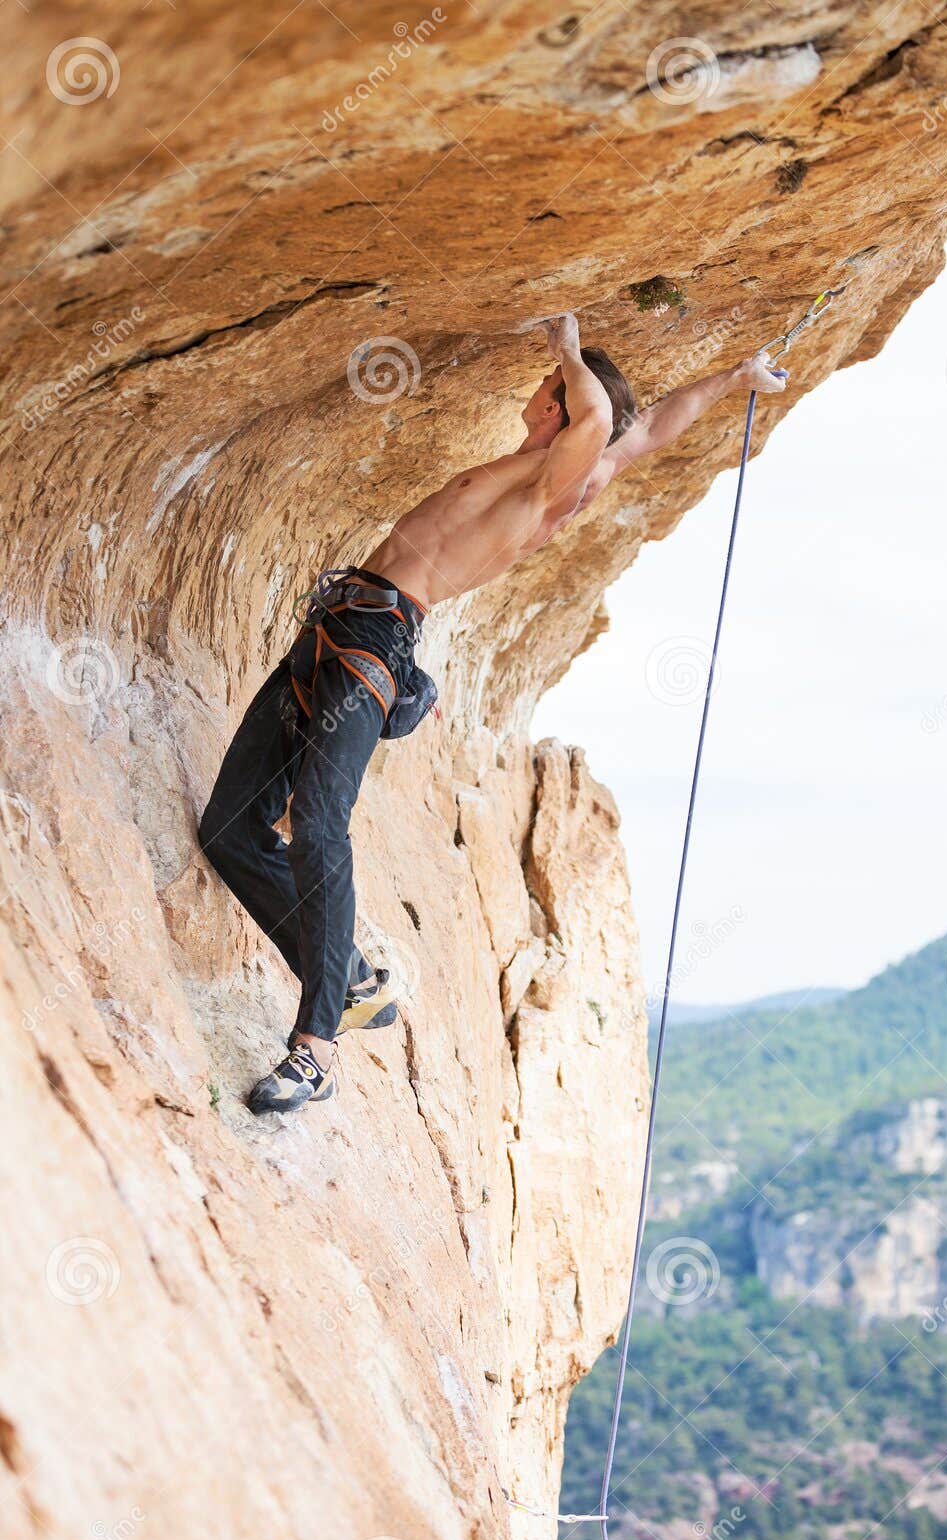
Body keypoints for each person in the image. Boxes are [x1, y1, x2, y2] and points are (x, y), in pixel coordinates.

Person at [199, 314, 787, 1115]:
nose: (540, 393)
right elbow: (650, 429)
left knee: (319, 822)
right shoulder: (547, 465)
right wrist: (734, 378)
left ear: (557, 408)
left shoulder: (556, 478)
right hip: (335, 628)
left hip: (376, 639)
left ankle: (316, 1049)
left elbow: (609, 421)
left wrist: (568, 352)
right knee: (230, 828)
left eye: (547, 391)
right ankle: (350, 979)